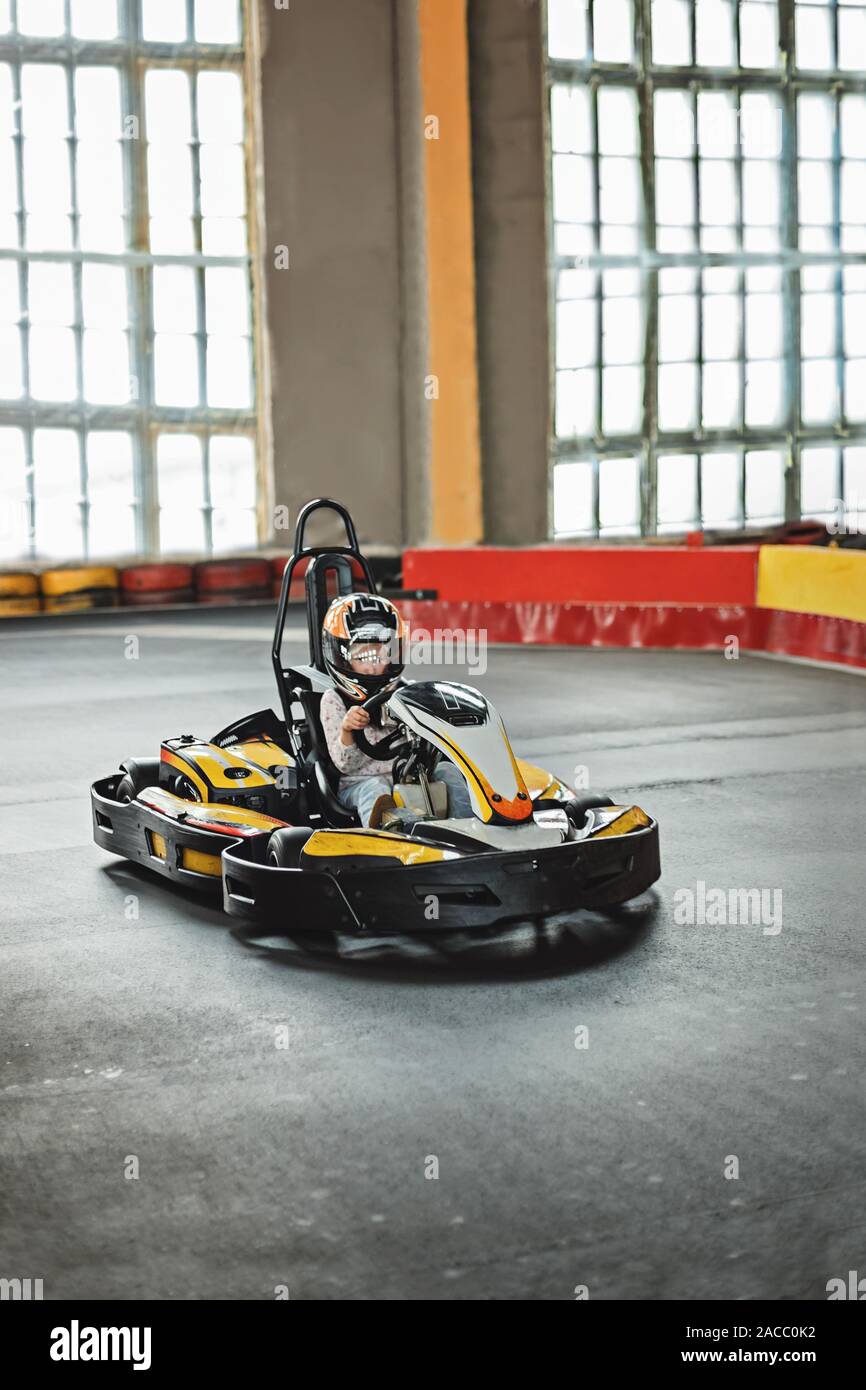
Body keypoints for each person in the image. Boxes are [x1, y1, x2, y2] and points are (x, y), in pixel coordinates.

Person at [319, 592, 472, 828]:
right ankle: (389, 839)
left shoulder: (406, 691)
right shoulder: (335, 700)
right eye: (363, 656)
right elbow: (345, 765)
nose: (372, 665)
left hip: (410, 776)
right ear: (343, 658)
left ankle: (469, 830)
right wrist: (348, 730)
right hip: (359, 785)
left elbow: (433, 747)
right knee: (376, 788)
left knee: (448, 772)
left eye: (380, 655)